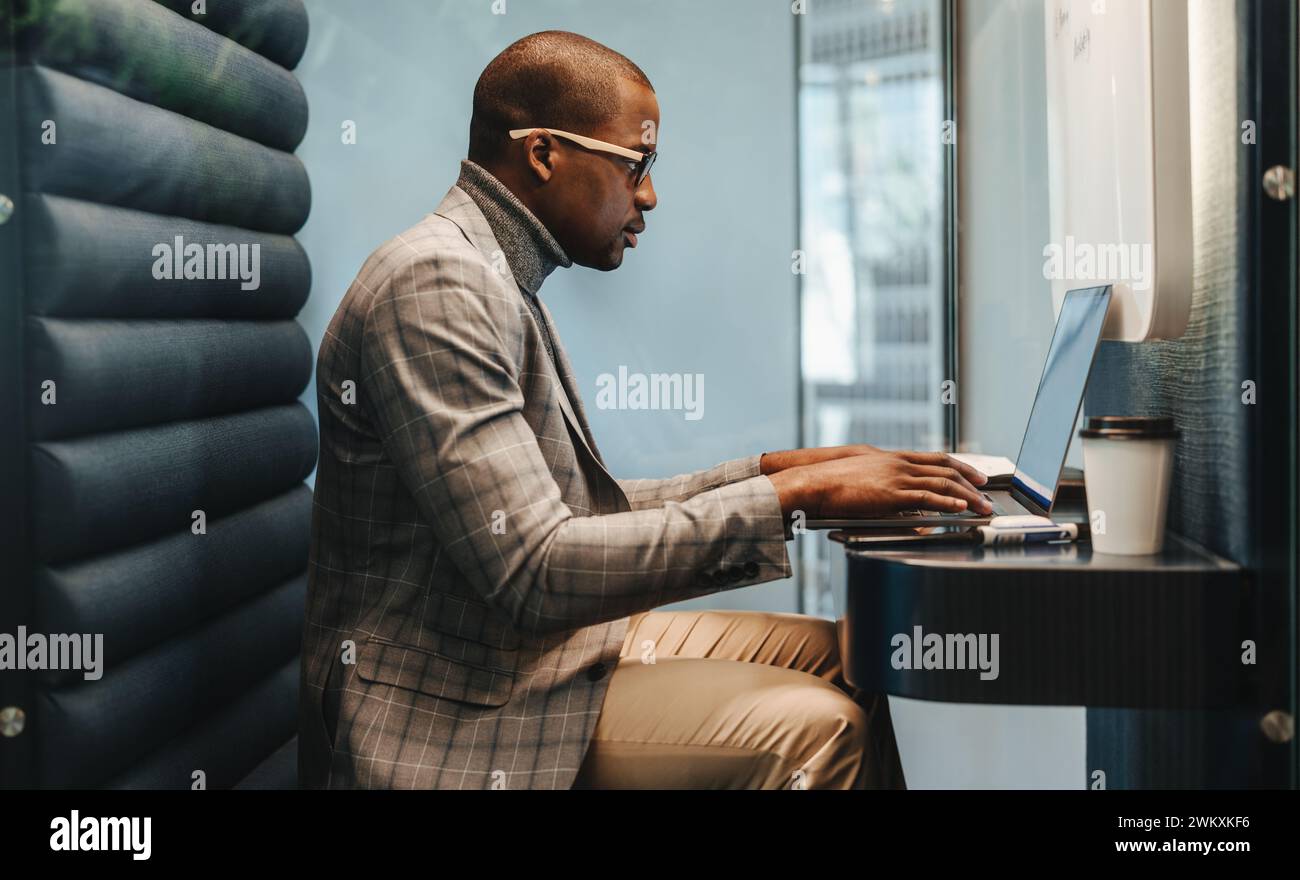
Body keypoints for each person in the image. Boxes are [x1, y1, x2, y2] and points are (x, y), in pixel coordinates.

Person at [298, 29, 991, 790]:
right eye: (637, 165)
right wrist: (792, 498)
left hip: (515, 657)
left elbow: (572, 519)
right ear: (542, 154)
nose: (649, 195)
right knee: (818, 732)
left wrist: (776, 473)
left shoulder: (491, 276)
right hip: (456, 707)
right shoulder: (436, 285)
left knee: (851, 657)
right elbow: (535, 569)